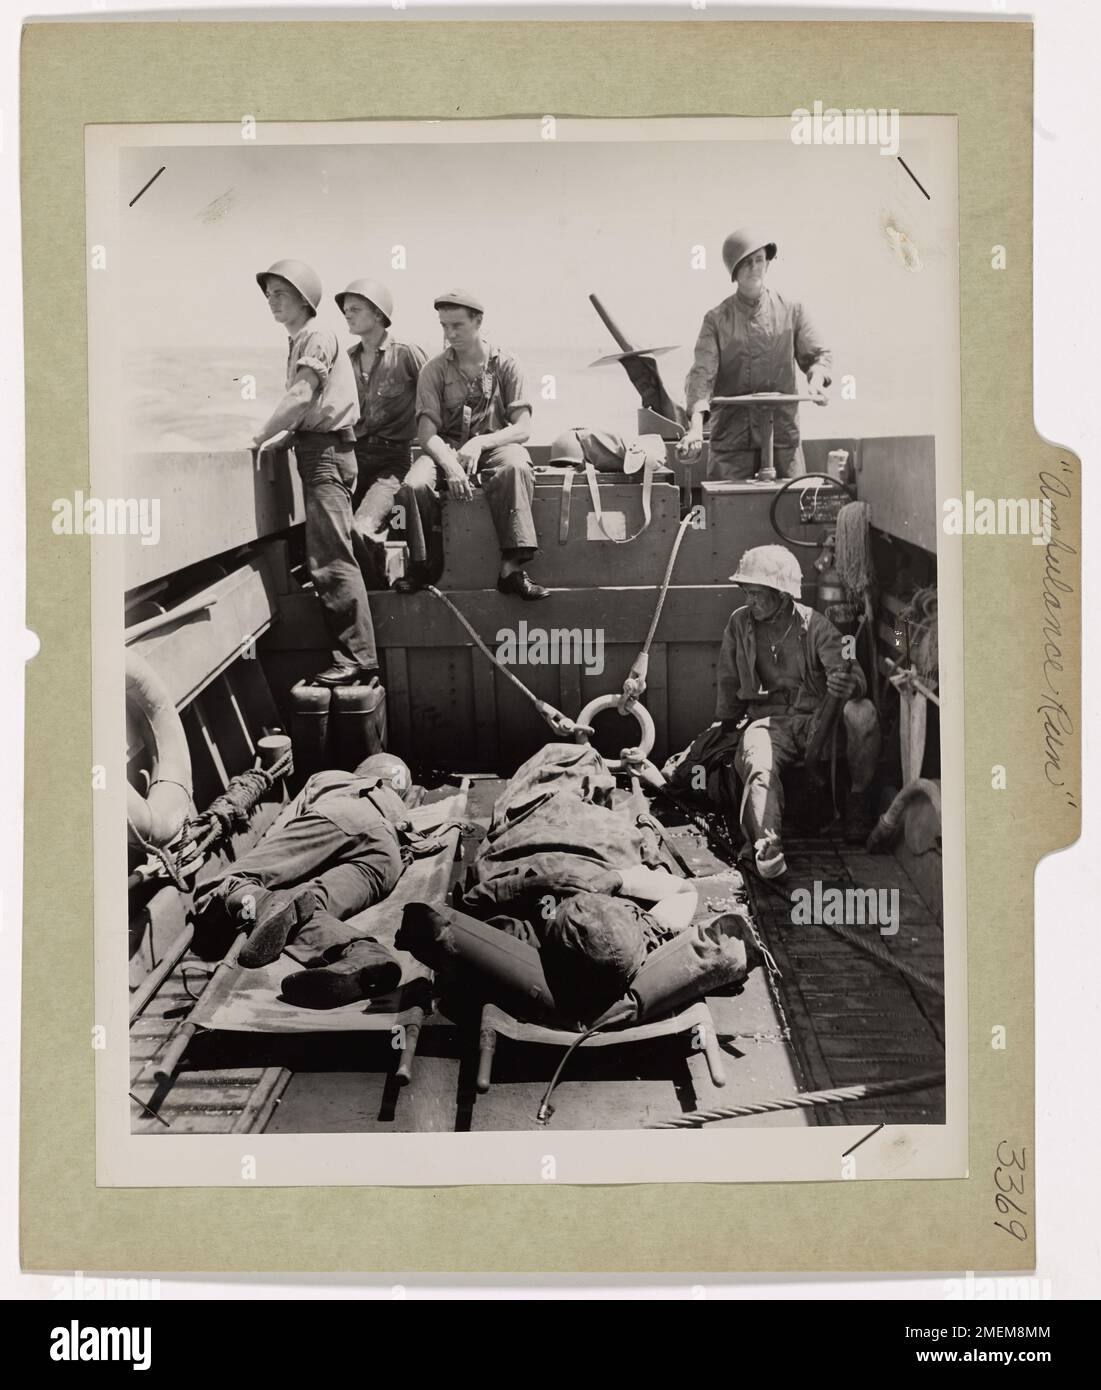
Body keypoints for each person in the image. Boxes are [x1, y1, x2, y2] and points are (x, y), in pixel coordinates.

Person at [395, 743, 759, 1026]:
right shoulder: (638, 938)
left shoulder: (523, 932)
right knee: (582, 781)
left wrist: (545, 884)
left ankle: (579, 763)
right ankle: (585, 766)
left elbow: (466, 906)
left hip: (535, 838)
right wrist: (613, 878)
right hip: (599, 847)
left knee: (549, 780)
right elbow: (685, 890)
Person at [667, 545, 878, 880]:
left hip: (815, 721)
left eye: (758, 594)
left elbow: (855, 676)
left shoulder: (817, 626)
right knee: (757, 762)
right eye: (747, 593)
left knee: (862, 713)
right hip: (767, 724)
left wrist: (847, 685)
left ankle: (858, 806)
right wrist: (724, 727)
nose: (750, 601)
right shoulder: (739, 624)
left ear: (782, 595)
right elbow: (727, 679)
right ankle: (767, 846)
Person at [192, 753, 417, 1006]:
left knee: (222, 887)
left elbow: (285, 827)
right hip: (388, 855)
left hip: (340, 816)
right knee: (306, 905)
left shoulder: (331, 778)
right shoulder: (401, 811)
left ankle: (264, 903)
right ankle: (363, 954)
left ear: (362, 769)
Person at [251, 259, 380, 685]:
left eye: (280, 293)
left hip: (325, 454)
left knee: (330, 558)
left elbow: (302, 395)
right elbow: (311, 405)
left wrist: (259, 436)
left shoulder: (316, 337)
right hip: (318, 449)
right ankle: (357, 653)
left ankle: (357, 658)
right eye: (268, 294)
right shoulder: (303, 339)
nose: (272, 301)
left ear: (304, 300)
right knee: (332, 552)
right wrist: (290, 434)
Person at [415, 289, 548, 600]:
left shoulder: (506, 364)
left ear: (478, 322)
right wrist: (448, 464)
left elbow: (522, 428)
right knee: (415, 485)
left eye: (457, 325)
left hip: (494, 444)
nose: (449, 334)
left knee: (515, 466)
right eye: (444, 326)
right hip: (445, 448)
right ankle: (423, 566)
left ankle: (511, 569)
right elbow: (426, 433)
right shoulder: (434, 370)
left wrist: (479, 442)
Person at [678, 229, 832, 481]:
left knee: (790, 509)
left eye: (759, 260)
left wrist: (815, 382)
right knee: (726, 512)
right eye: (746, 262)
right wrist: (695, 429)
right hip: (732, 442)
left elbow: (817, 356)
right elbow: (701, 376)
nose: (754, 267)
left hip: (783, 438)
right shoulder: (716, 320)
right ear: (734, 271)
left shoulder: (792, 310)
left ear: (768, 264)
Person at [336, 278, 440, 592]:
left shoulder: (407, 355)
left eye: (355, 309)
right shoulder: (346, 360)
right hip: (352, 459)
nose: (348, 315)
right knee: (336, 535)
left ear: (378, 315)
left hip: (391, 462)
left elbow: (432, 401)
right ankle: (368, 591)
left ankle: (378, 593)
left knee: (362, 529)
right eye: (345, 310)